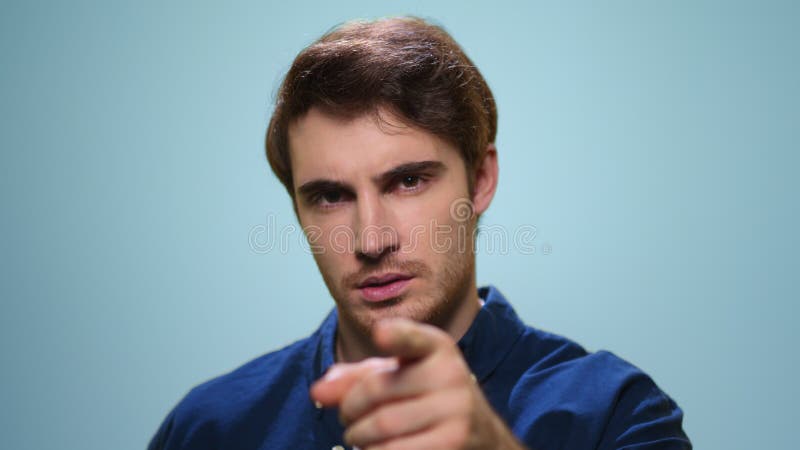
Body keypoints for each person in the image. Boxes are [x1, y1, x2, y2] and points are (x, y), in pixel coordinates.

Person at [148, 16, 691, 450]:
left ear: (480, 180)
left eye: (407, 181)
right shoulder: (208, 428)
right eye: (331, 196)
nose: (370, 239)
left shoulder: (614, 414)